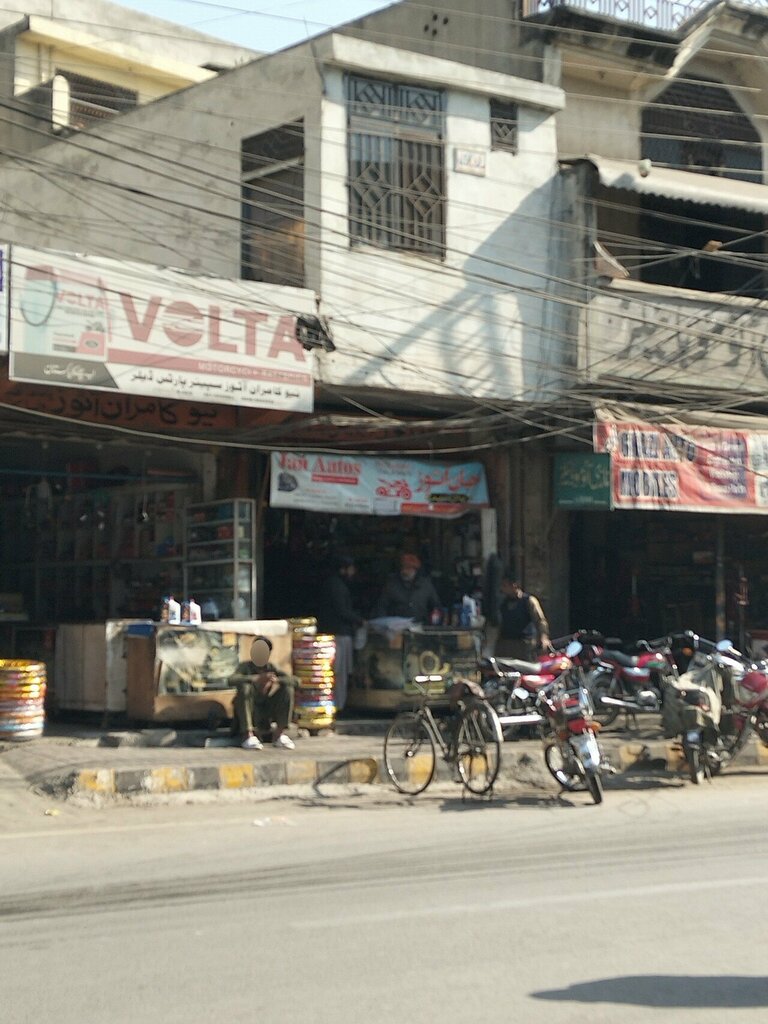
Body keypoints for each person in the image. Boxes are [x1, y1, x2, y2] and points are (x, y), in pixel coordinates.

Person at [230, 636, 297, 750]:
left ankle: (279, 735)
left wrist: (277, 680)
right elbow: (231, 680)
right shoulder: (245, 667)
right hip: (250, 708)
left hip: (266, 709)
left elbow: (296, 681)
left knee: (288, 689)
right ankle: (248, 735)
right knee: (245, 688)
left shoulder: (271, 668)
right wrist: (256, 679)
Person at [317, 554, 363, 712]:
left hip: (334, 632)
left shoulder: (333, 584)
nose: (353, 572)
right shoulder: (337, 586)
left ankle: (336, 704)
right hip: (339, 634)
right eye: (350, 569)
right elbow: (342, 610)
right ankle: (338, 705)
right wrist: (359, 620)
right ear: (343, 569)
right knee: (339, 673)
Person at [374, 552, 440, 624]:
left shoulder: (426, 585)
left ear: (415, 569)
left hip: (420, 626)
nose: (404, 571)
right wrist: (384, 625)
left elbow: (436, 607)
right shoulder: (391, 585)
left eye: (408, 568)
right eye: (403, 567)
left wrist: (433, 624)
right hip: (395, 628)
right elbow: (381, 607)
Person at [496, 576, 551, 660]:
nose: (502, 589)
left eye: (505, 586)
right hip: (506, 644)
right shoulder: (503, 603)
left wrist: (544, 637)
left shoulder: (529, 601)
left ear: (514, 585)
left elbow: (540, 621)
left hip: (524, 644)